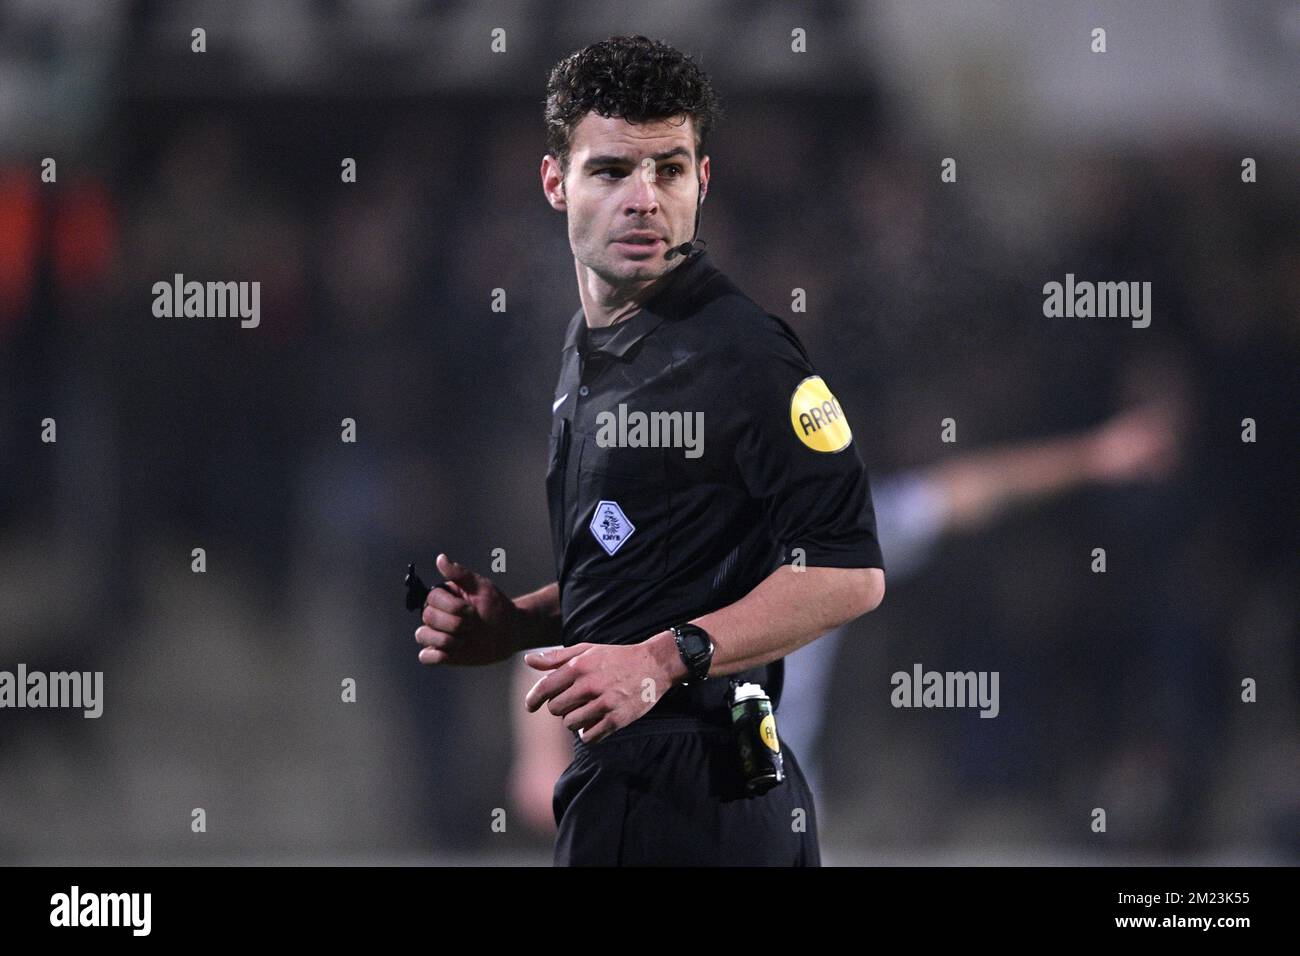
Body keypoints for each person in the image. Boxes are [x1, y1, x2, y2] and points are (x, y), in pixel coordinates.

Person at [413, 35, 886, 865]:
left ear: (702, 182)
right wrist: (520, 622)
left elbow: (849, 572)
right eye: (611, 171)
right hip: (622, 787)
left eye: (669, 170)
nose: (644, 199)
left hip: (712, 792)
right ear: (555, 183)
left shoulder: (746, 356)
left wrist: (666, 660)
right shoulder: (588, 348)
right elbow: (653, 560)